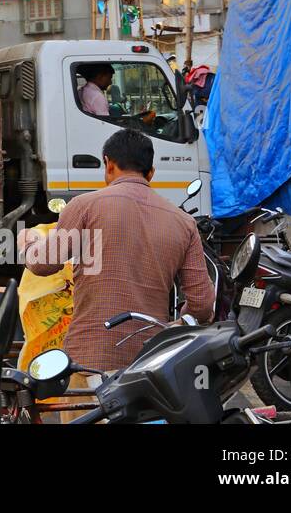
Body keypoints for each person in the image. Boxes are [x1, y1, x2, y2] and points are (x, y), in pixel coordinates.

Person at [18, 128, 214, 373]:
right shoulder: (184, 223)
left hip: (92, 356)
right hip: (152, 360)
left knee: (87, 411)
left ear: (108, 164)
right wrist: (177, 324)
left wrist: (28, 241)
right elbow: (203, 305)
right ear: (151, 173)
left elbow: (43, 264)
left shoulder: (85, 206)